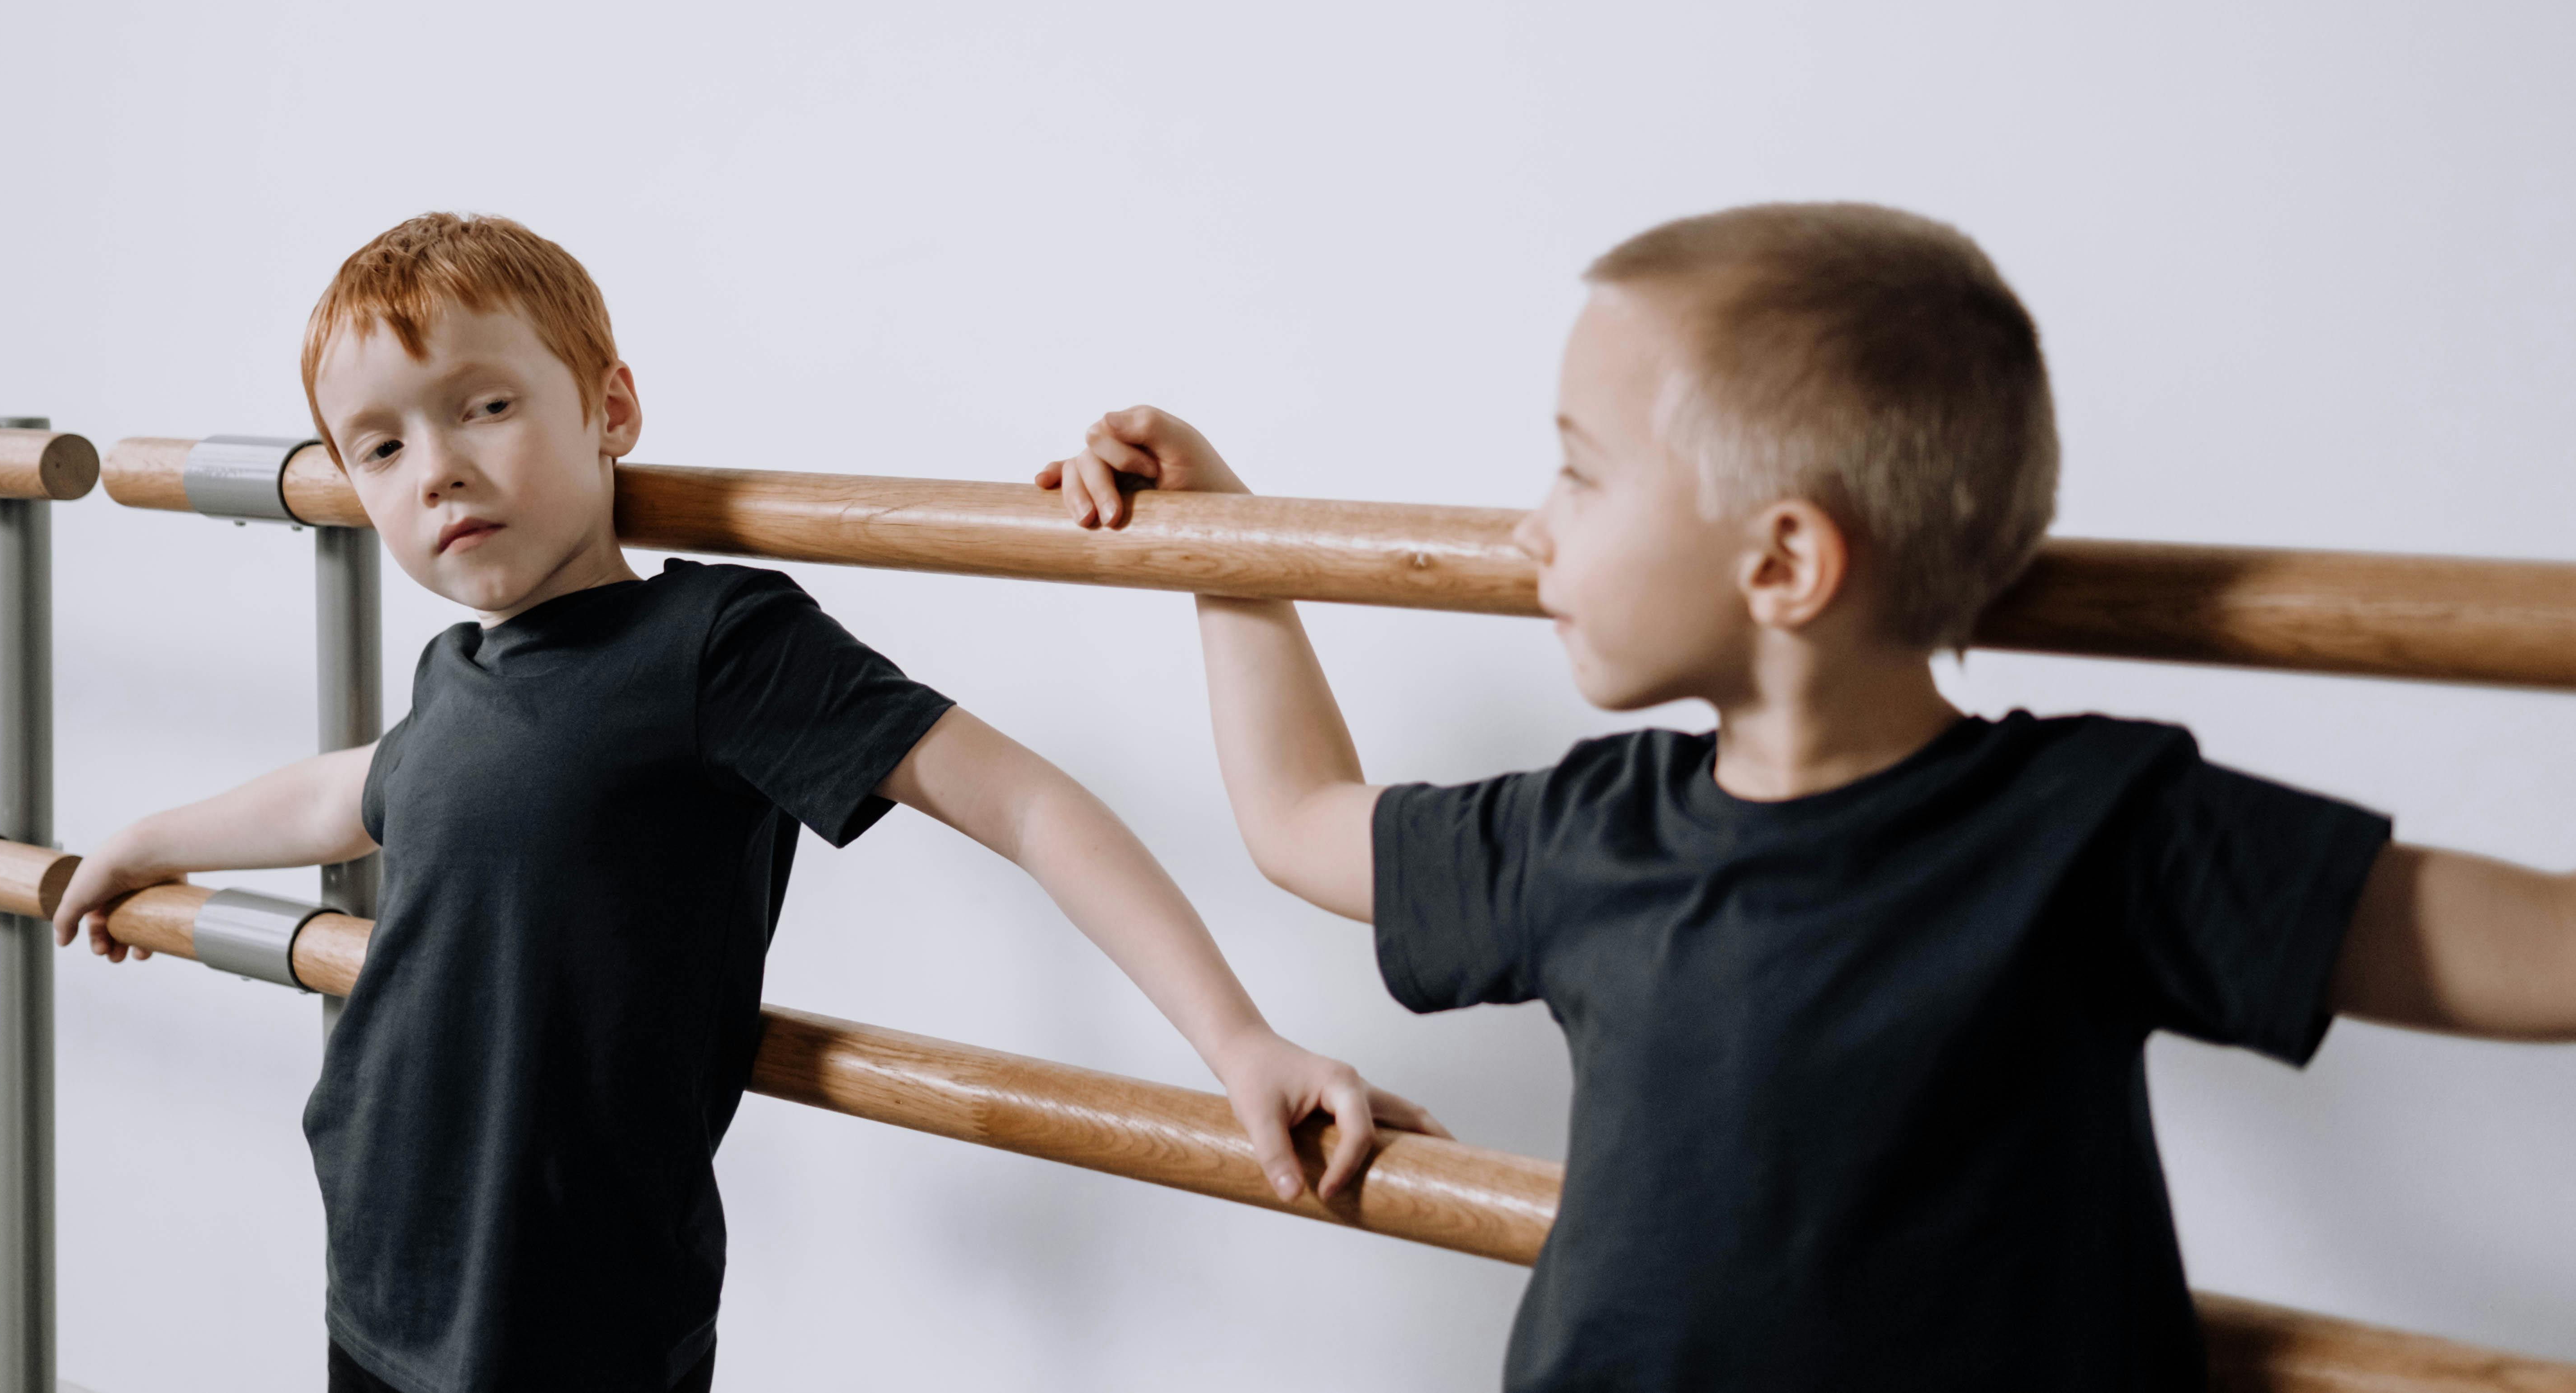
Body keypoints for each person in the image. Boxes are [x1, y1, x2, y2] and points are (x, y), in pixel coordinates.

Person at [1039, 201, 2576, 1392]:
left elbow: (2532, 951)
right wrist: (1226, 549)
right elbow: (1303, 813)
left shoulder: (2099, 830)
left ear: (1781, 561)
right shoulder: (1587, 830)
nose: (1528, 528)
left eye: (1578, 473)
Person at [52, 213, 1434, 1393]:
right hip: (383, 1272)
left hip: (576, 1316)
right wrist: (142, 841)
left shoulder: (716, 646)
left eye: (483, 404)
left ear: (610, 409)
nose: (440, 469)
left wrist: (1240, 1038)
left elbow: (1024, 805)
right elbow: (352, 791)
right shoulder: (454, 671)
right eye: (381, 446)